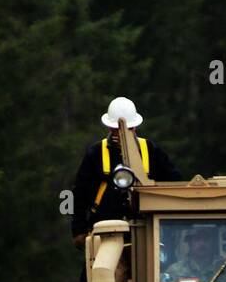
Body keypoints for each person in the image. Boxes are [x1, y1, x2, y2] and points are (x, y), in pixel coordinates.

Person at [70, 96, 180, 249]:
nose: (122, 133)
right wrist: (79, 231)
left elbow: (175, 185)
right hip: (105, 231)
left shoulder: (151, 150)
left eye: (128, 129)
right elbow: (79, 195)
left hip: (147, 229)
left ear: (135, 127)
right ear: (109, 128)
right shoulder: (95, 153)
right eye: (116, 130)